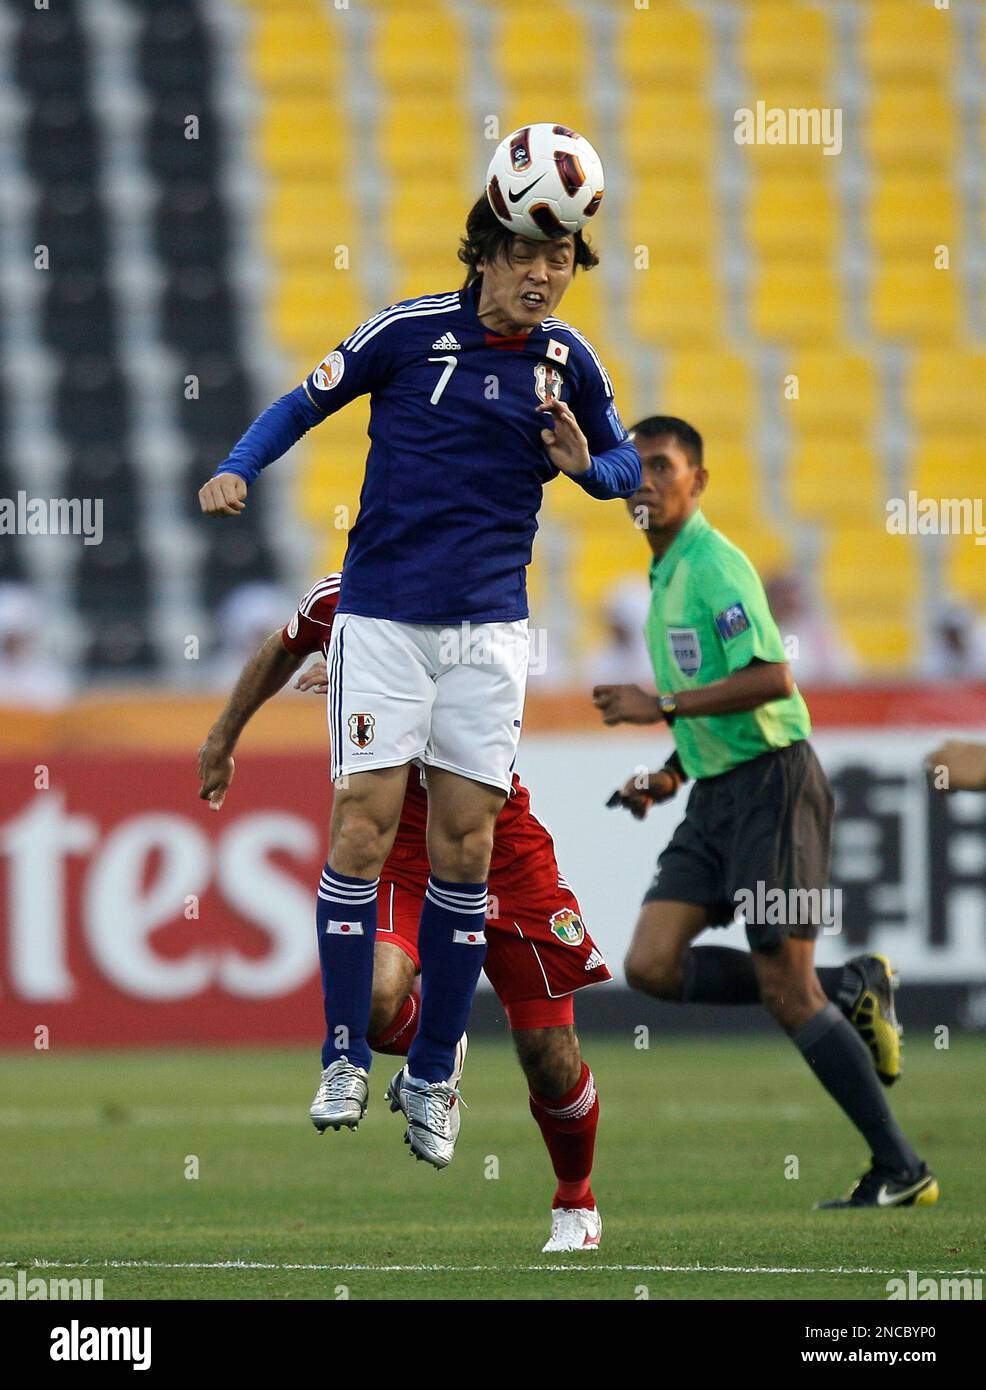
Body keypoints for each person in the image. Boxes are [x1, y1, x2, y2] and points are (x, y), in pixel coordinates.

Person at [197, 191, 640, 1167]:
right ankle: (345, 1052)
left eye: (562, 256)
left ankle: (434, 1071)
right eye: (528, 251)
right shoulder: (406, 334)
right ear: (486, 251)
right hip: (384, 617)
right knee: (360, 823)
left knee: (465, 853)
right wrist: (239, 465)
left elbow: (624, 466)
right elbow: (301, 400)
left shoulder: (567, 360)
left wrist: (588, 468)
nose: (544, 273)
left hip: (488, 633)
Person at [198, 574, 610, 1251]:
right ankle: (437, 1056)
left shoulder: (482, 599)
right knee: (372, 998)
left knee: (547, 1051)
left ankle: (576, 1200)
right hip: (404, 855)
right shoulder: (342, 599)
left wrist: (389, 687)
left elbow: (483, 700)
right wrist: (224, 736)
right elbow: (282, 646)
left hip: (499, 848)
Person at [593, 415, 937, 1210]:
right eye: (632, 468)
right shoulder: (664, 573)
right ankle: (851, 982)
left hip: (777, 788)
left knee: (789, 991)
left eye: (661, 466)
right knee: (649, 964)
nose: (643, 481)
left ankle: (900, 1166)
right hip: (717, 794)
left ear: (697, 481)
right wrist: (669, 773)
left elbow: (775, 679)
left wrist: (660, 705)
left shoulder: (714, 565)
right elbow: (716, 703)